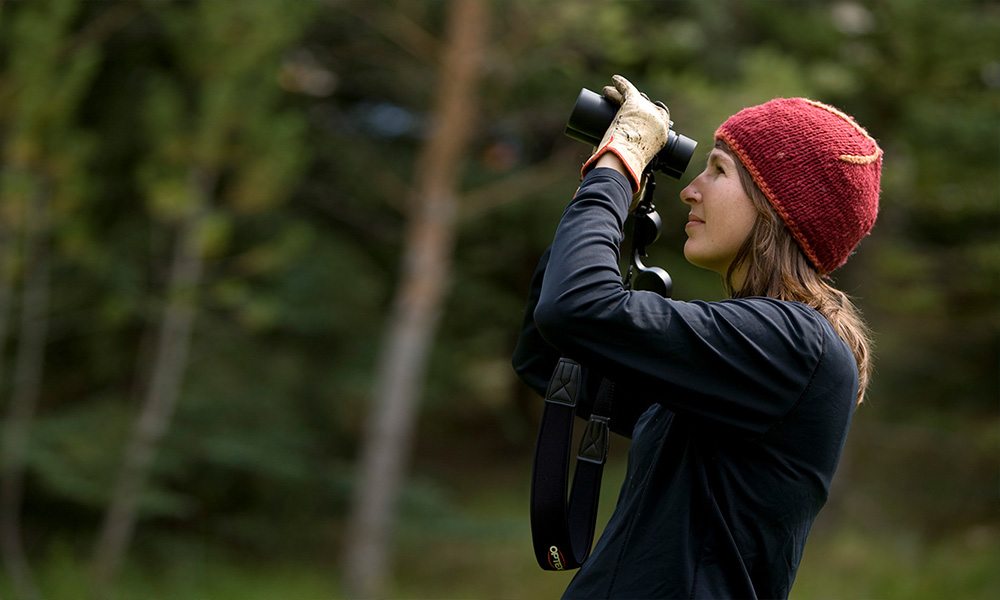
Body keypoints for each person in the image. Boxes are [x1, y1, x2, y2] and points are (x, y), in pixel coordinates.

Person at [512, 75, 882, 599]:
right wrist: (606, 187)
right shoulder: (746, 356)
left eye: (718, 171)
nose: (690, 189)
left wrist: (619, 167)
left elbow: (577, 308)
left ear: (776, 207)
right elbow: (549, 360)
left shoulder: (792, 343)